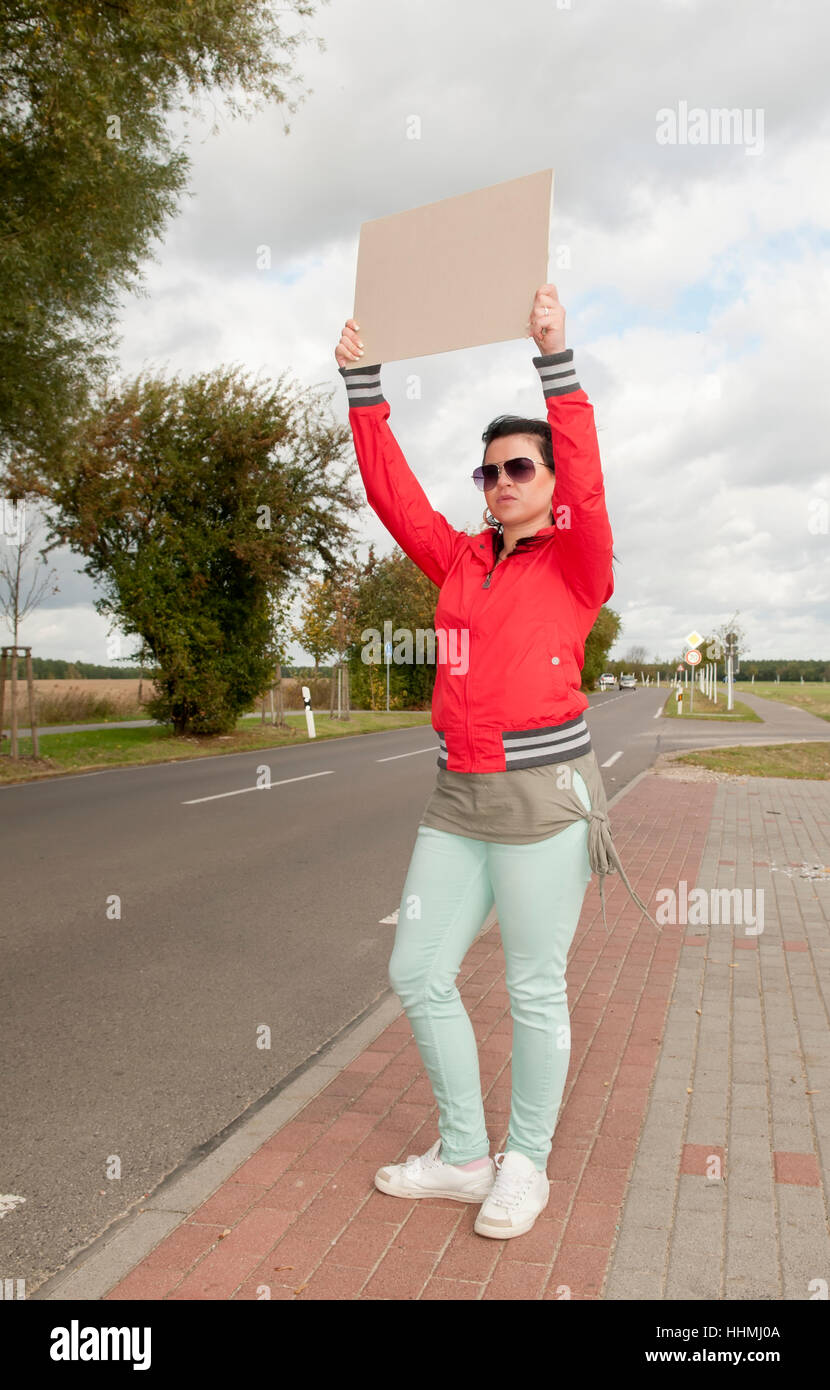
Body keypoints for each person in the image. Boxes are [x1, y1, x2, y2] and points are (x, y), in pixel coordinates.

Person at [334, 285, 659, 1241]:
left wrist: (556, 363)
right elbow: (393, 496)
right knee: (417, 968)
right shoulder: (461, 561)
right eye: (488, 472)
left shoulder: (578, 562)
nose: (501, 481)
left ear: (550, 480)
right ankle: (464, 1155)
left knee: (532, 987)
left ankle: (526, 1164)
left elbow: (590, 490)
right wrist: (363, 388)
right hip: (457, 797)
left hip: (543, 801)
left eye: (519, 467)